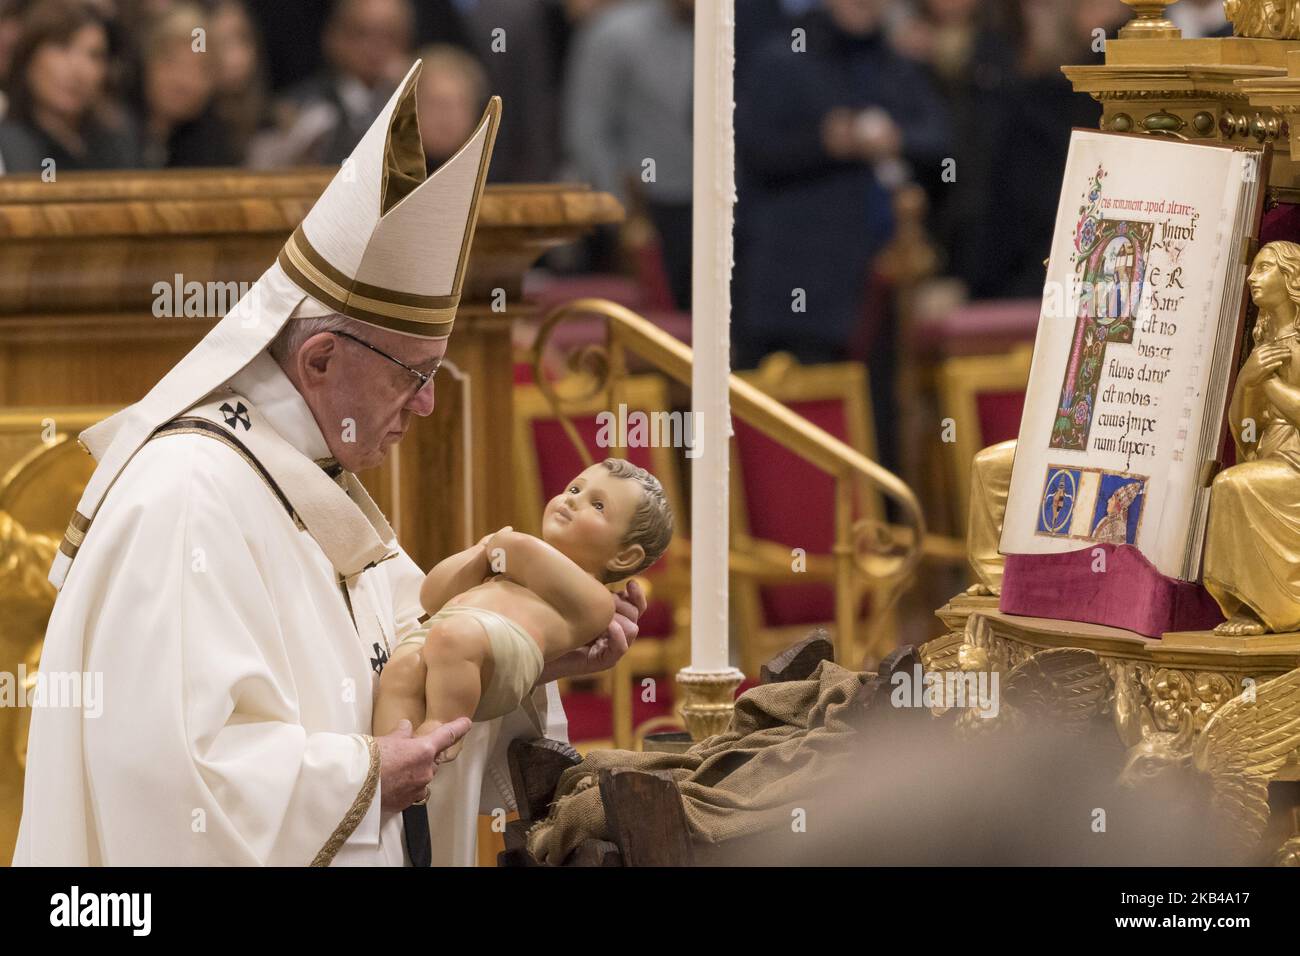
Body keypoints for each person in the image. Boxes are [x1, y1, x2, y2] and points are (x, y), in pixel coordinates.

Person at [12, 60, 645, 867]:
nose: (425, 404)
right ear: (317, 361)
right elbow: (168, 773)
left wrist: (535, 656)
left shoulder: (310, 480)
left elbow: (416, 669)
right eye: (410, 375)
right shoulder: (185, 498)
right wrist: (367, 772)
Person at [375, 459, 672, 751]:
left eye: (598, 505)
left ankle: (442, 732)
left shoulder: (596, 600)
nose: (571, 501)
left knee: (453, 637)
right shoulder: (510, 564)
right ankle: (390, 757)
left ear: (624, 558)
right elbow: (432, 595)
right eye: (574, 489)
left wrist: (499, 546)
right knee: (403, 668)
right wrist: (480, 554)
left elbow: (520, 550)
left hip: (490, 652)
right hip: (452, 631)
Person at [1205, 242, 1300, 635]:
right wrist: (1245, 382)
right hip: (1272, 453)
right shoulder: (1262, 344)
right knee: (1233, 480)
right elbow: (1246, 431)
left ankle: (1271, 606)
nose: (1252, 277)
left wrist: (1268, 383)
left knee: (1232, 485)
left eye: (1264, 269)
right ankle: (1252, 601)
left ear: (1292, 278)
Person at [0, 0, 138, 173]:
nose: (77, 70)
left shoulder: (118, 139)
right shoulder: (8, 146)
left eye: (94, 55)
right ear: (29, 56)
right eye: (62, 47)